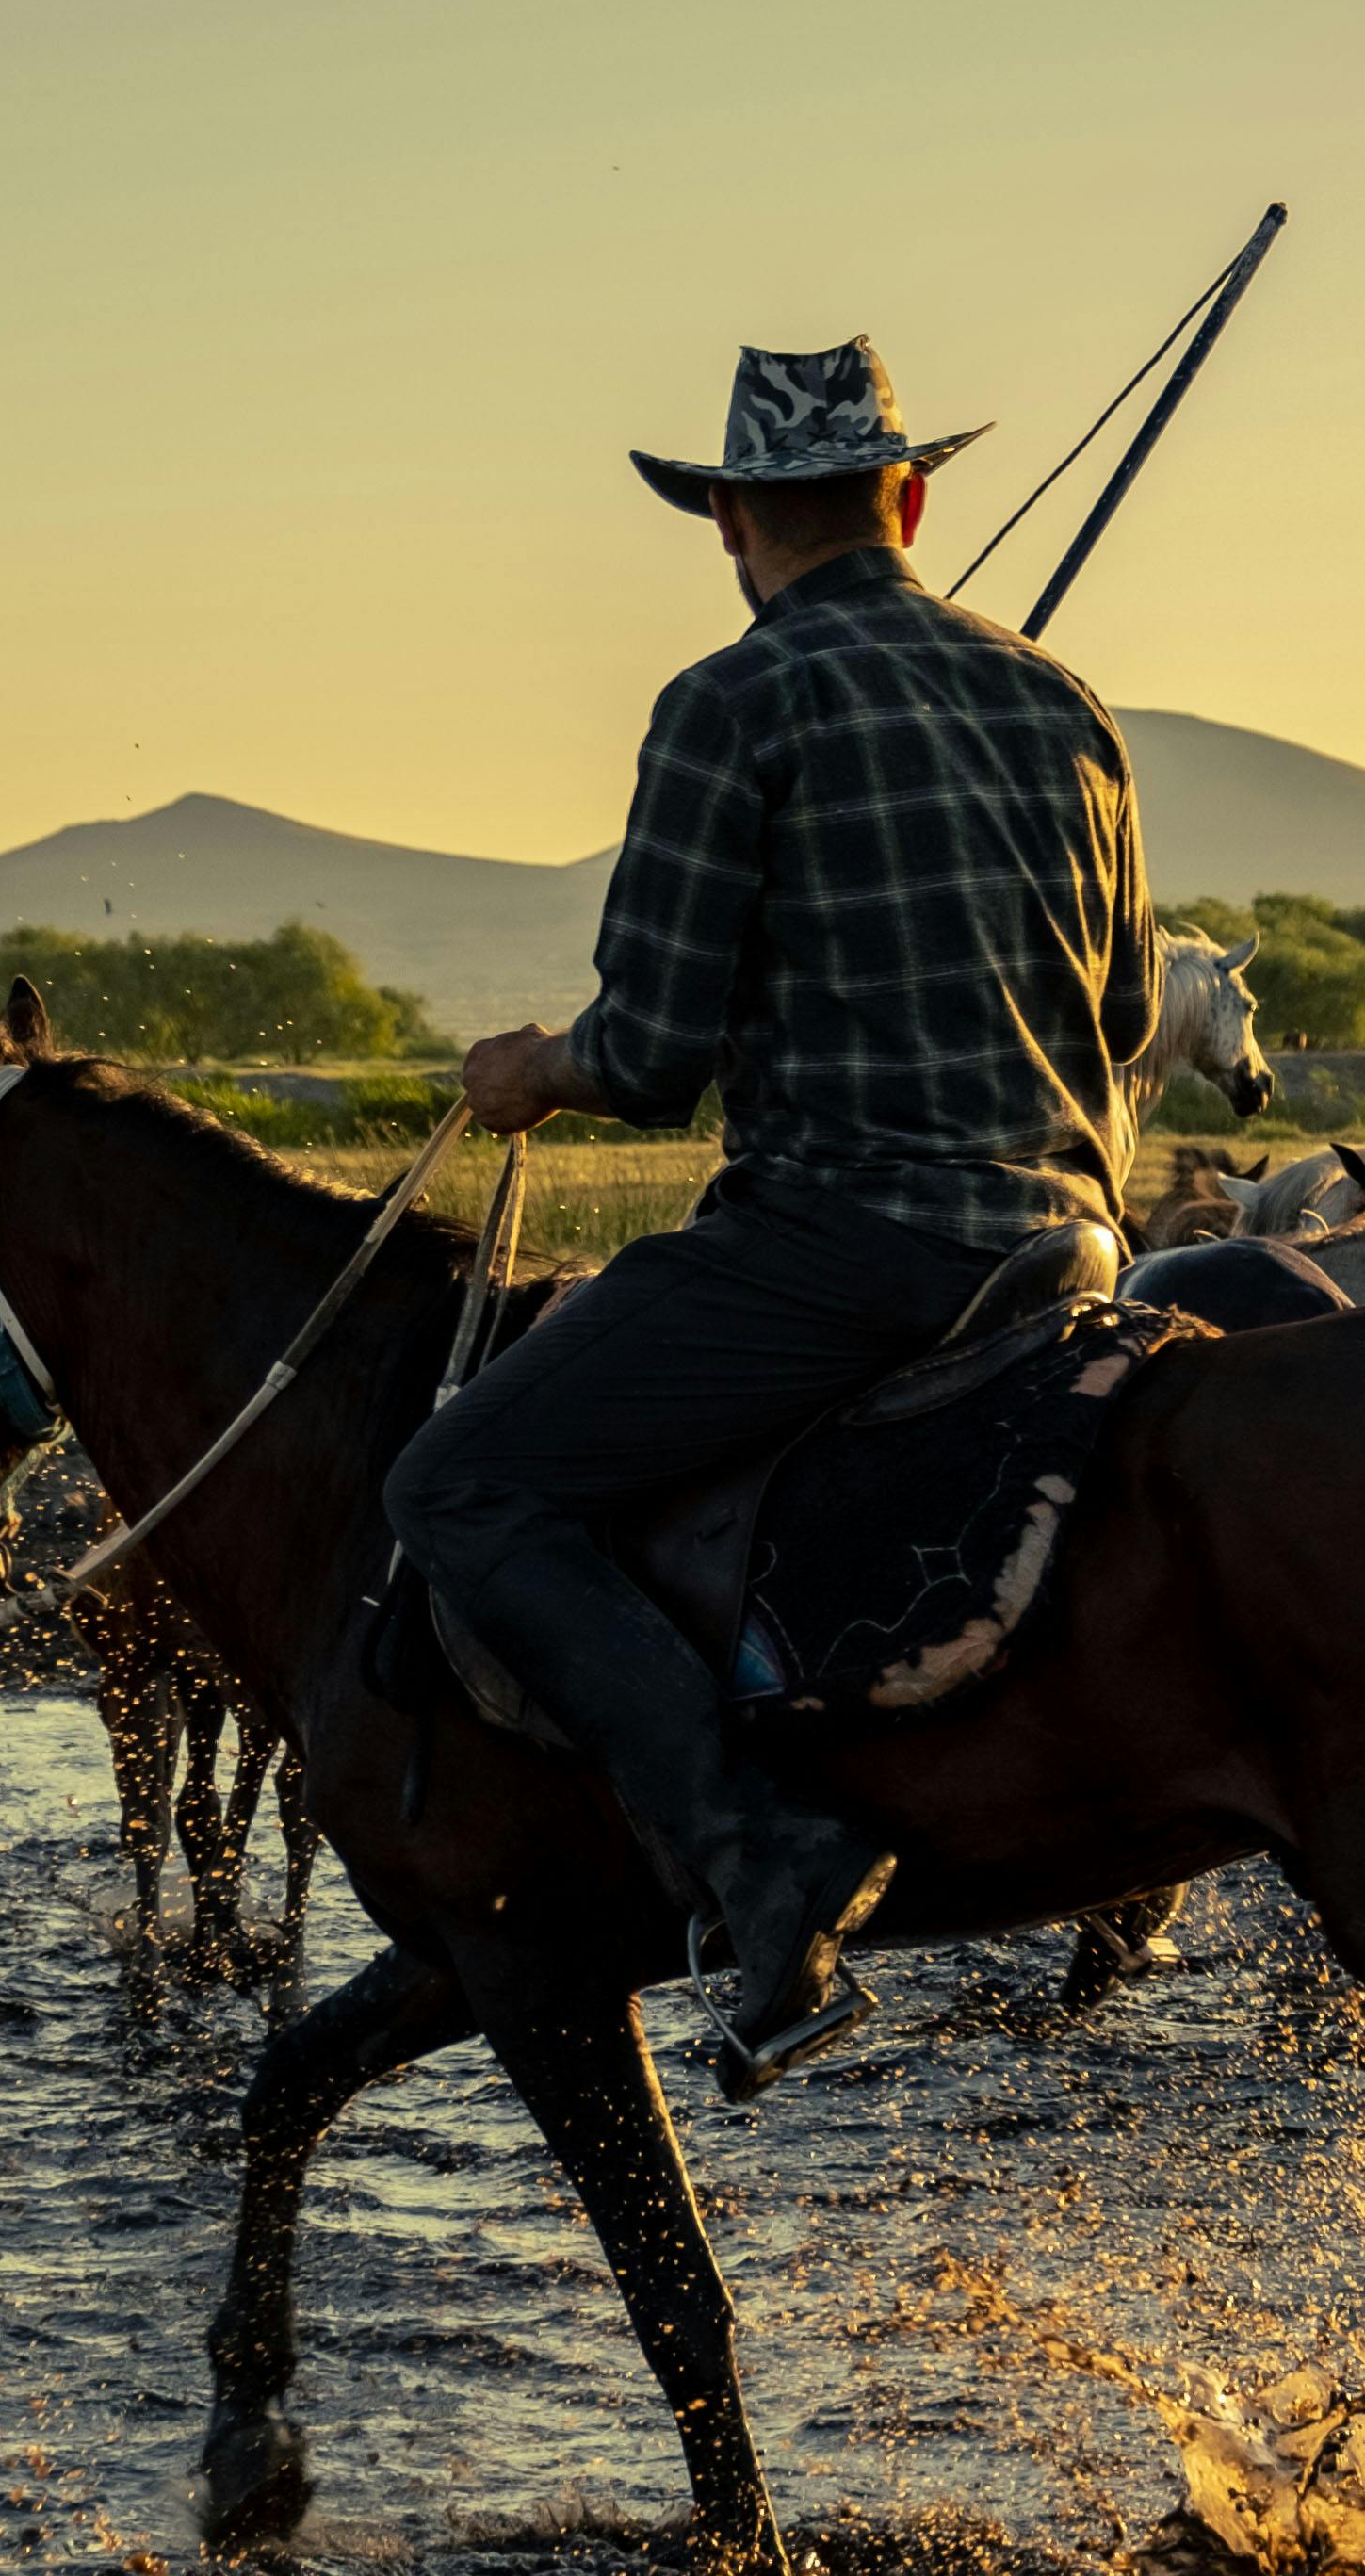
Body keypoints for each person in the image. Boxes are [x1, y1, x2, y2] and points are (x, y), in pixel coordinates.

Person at [385, 336, 1158, 2082]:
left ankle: (758, 1855)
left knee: (460, 1483)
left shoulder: (727, 705)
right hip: (1072, 1249)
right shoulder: (1063, 699)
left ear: (729, 517)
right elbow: (1119, 1023)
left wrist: (528, 1071)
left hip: (847, 1251)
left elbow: (652, 1053)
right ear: (914, 497)